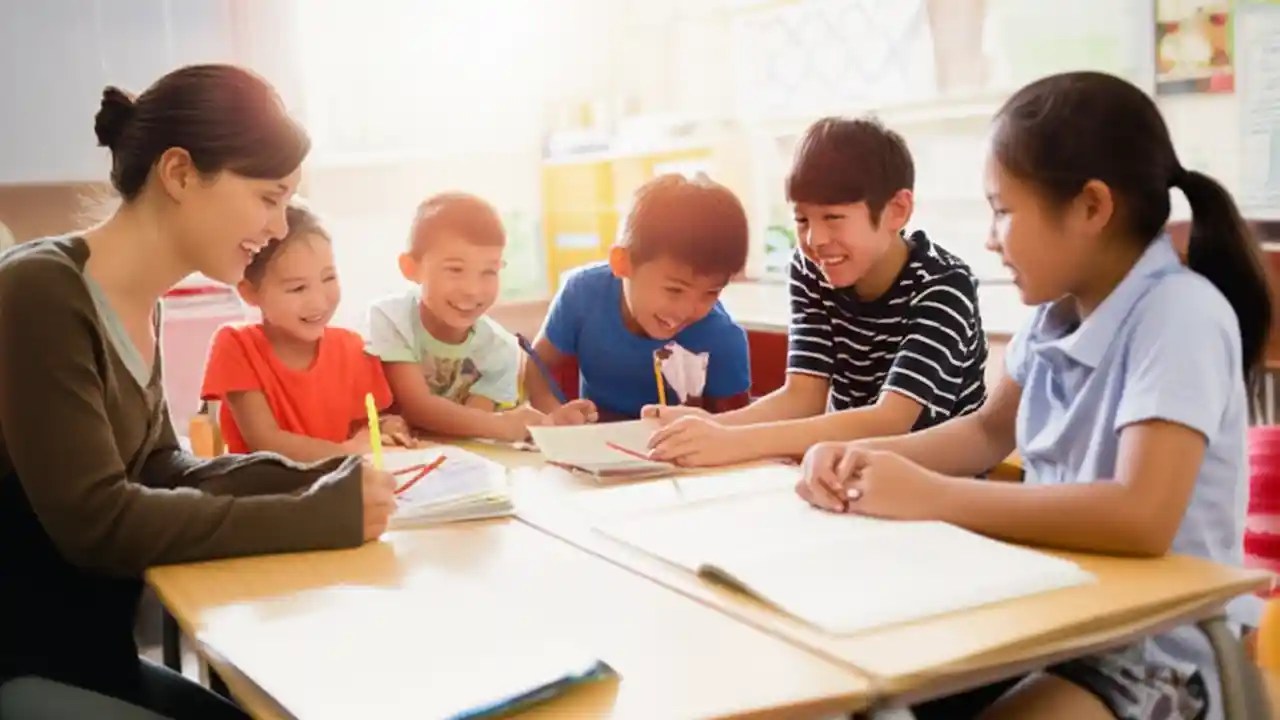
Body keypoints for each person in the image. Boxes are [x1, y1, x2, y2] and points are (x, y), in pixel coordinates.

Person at [799, 71, 1270, 720]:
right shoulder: (1054, 317)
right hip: (1052, 622)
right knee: (847, 694)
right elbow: (985, 433)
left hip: (1157, 656)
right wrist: (857, 456)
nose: (991, 238)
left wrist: (932, 496)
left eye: (1003, 210)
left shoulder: (1179, 315)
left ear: (1091, 207)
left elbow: (1141, 516)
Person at [0, 64, 396, 719]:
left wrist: (315, 478)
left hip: (92, 660)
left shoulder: (139, 302)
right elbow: (98, 523)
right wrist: (318, 516)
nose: (278, 227)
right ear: (180, 173)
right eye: (268, 197)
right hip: (22, 667)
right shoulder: (38, 291)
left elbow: (160, 467)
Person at [646, 117, 986, 467]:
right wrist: (711, 426)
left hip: (934, 479)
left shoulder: (944, 285)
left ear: (896, 211)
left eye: (833, 218)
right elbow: (803, 397)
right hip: (844, 469)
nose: (815, 239)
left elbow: (890, 420)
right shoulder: (814, 268)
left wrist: (733, 440)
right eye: (802, 220)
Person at [523, 173, 753, 422]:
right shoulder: (582, 294)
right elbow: (535, 364)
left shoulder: (723, 338)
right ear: (623, 262)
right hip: (593, 439)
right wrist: (552, 414)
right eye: (674, 290)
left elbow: (736, 426)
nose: (688, 310)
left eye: (711, 293)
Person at [201, 200, 414, 460]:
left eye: (328, 278)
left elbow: (369, 422)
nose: (319, 301)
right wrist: (346, 453)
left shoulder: (352, 347)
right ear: (250, 292)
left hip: (337, 477)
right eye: (298, 288)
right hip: (265, 483)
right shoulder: (236, 344)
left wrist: (386, 427)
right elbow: (265, 442)